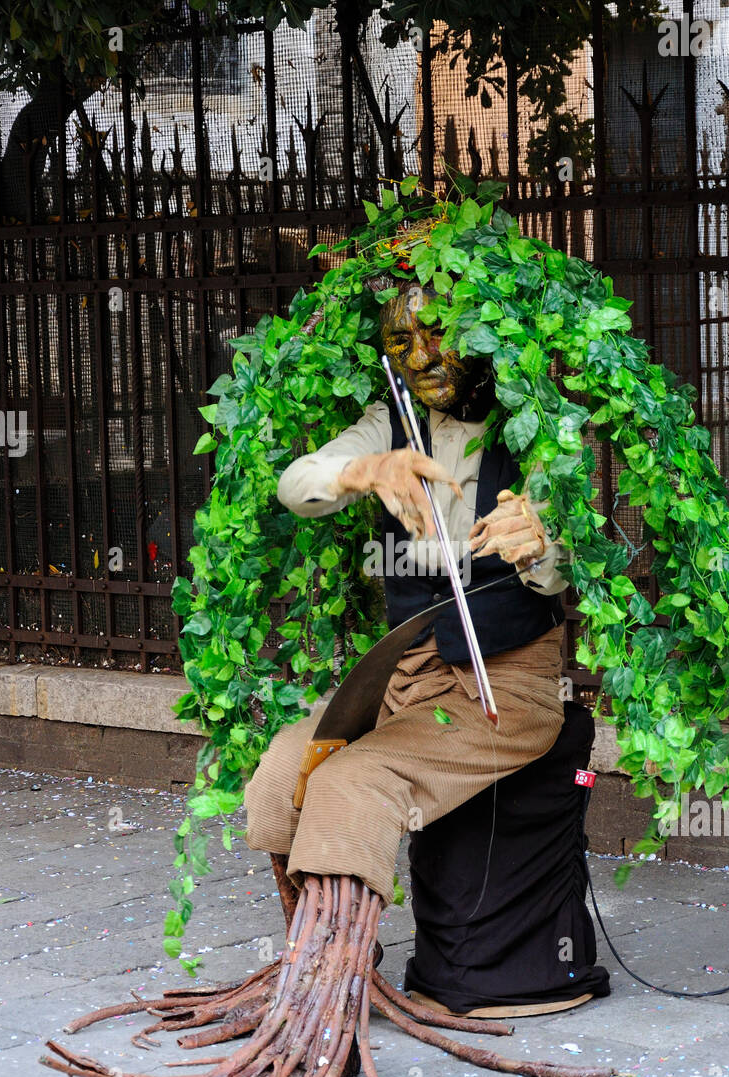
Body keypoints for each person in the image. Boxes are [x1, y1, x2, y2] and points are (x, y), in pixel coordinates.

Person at [243, 280, 610, 1016]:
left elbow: (577, 556)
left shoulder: (540, 427)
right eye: (399, 343)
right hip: (404, 683)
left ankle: (322, 1012)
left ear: (482, 330)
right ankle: (336, 961)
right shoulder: (392, 420)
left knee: (353, 783)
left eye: (435, 333)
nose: (419, 356)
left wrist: (540, 544)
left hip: (504, 689)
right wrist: (358, 470)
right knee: (285, 768)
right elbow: (296, 482)